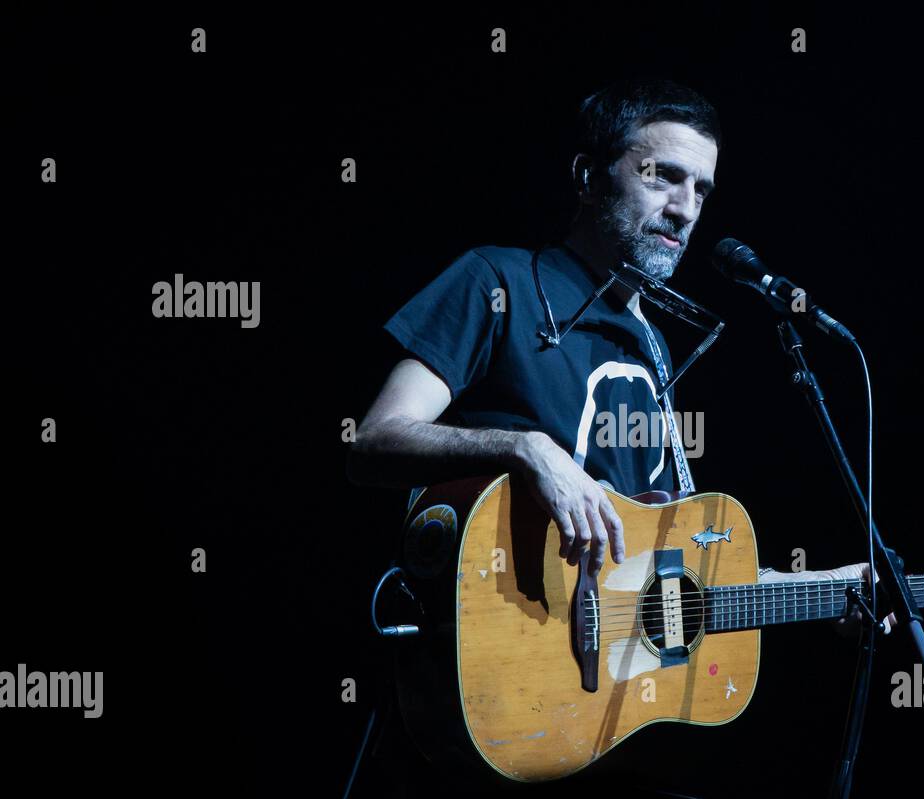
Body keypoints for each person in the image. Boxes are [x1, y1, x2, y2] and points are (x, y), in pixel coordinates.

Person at [348, 76, 887, 645]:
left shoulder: (654, 349)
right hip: (486, 649)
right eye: (663, 176)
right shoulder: (497, 280)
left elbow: (676, 578)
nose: (685, 210)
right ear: (587, 177)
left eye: (701, 190)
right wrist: (525, 450)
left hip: (602, 704)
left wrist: (829, 585)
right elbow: (373, 443)